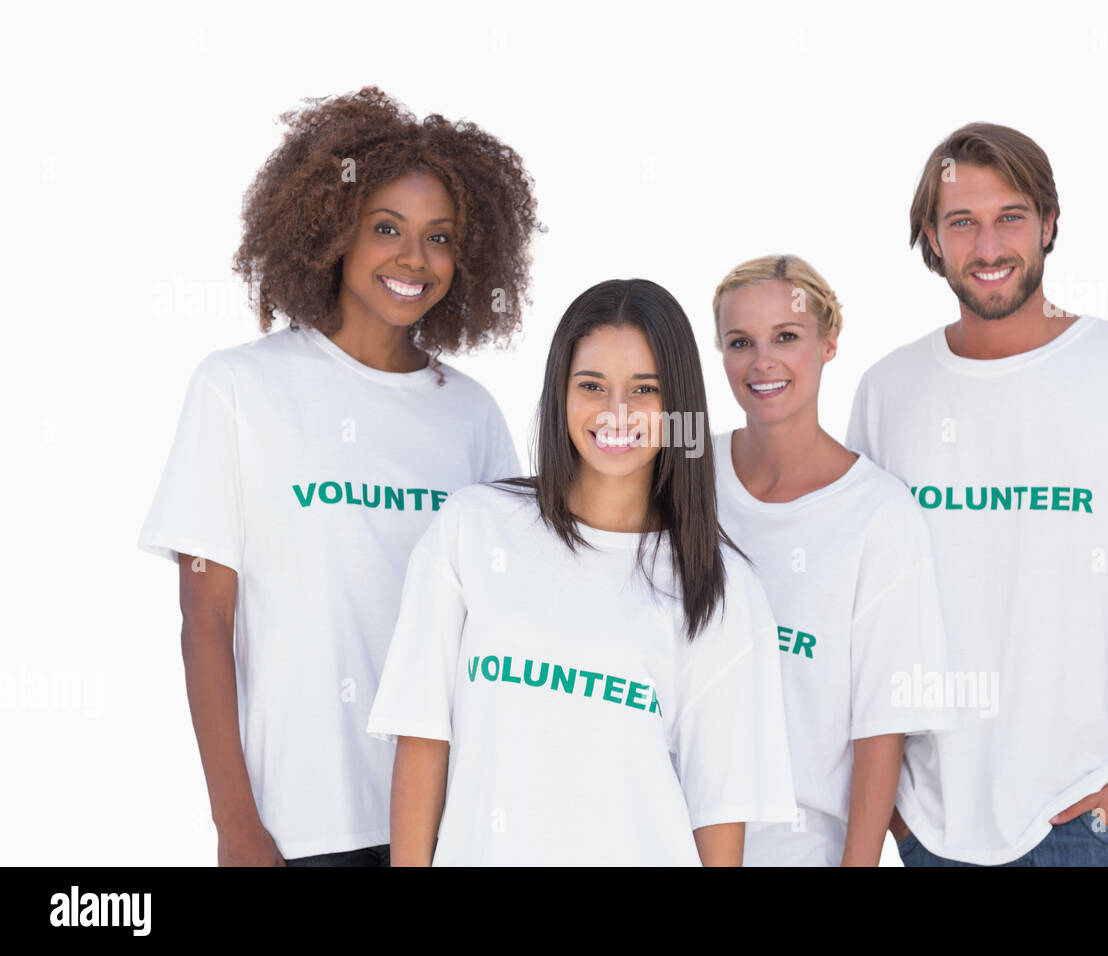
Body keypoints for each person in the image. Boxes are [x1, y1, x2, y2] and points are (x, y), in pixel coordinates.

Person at [137, 87, 539, 866]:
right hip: (300, 825)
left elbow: (498, 628)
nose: (413, 259)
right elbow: (205, 623)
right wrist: (236, 827)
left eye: (440, 237)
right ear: (331, 230)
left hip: (445, 821)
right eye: (386, 228)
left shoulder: (474, 417)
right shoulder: (239, 390)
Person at [846, 122, 1108, 867]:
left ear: (1049, 224)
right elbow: (864, 613)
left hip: (1101, 821)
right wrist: (896, 812)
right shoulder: (889, 392)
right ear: (931, 241)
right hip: (937, 831)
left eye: (1011, 216)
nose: (990, 245)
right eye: (961, 222)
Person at [367, 278, 798, 865]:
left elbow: (717, 815)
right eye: (592, 385)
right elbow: (422, 739)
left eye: (644, 389)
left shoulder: (720, 589)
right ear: (559, 394)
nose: (617, 413)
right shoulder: (473, 529)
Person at [710, 255, 954, 866]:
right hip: (665, 838)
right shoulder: (686, 479)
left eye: (786, 338)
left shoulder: (879, 514)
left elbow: (882, 728)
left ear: (829, 344)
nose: (762, 362)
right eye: (741, 342)